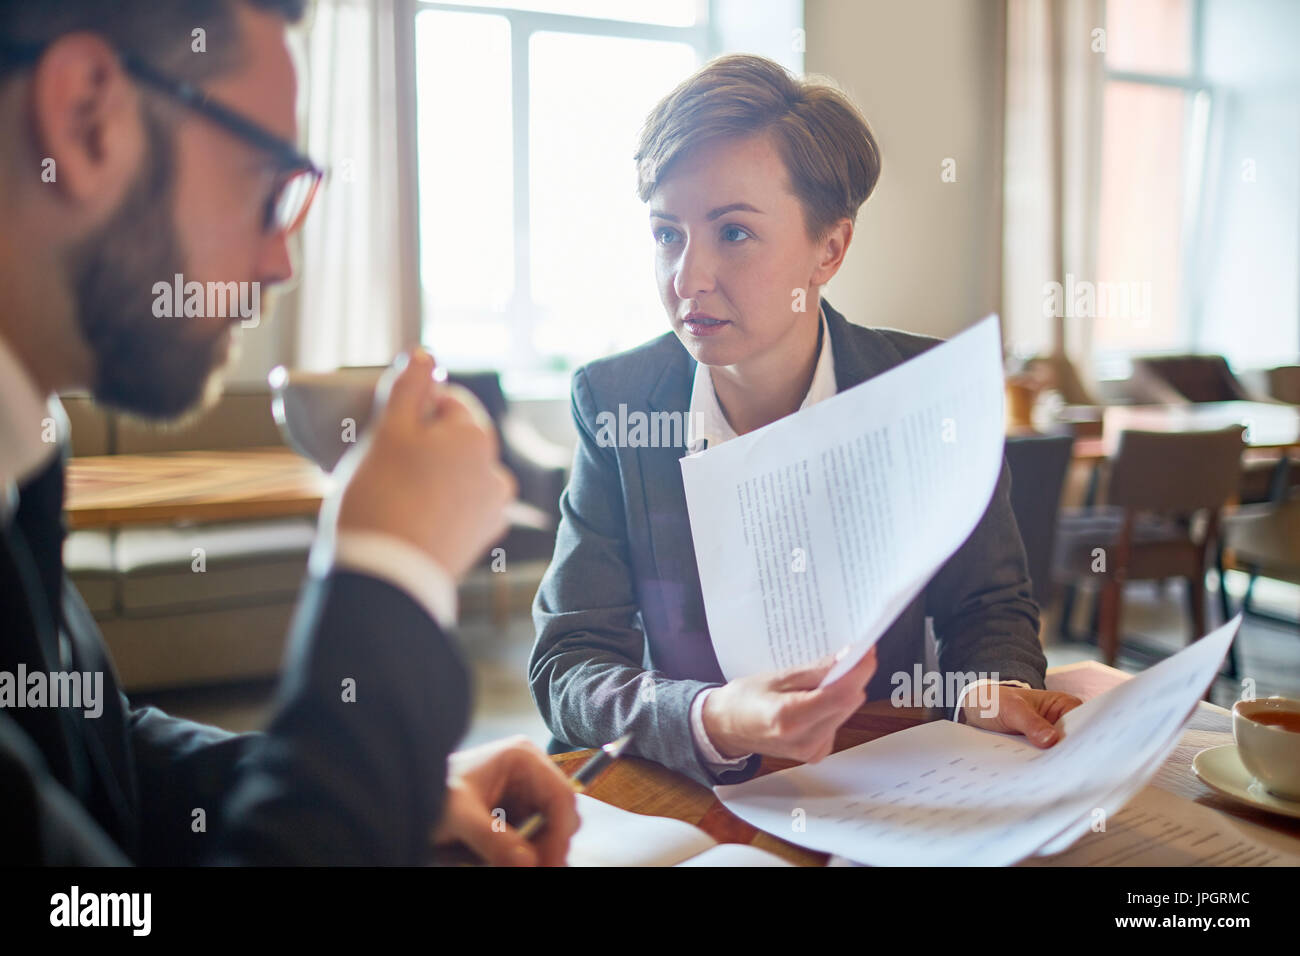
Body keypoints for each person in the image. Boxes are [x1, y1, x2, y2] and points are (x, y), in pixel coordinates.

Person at [0, 0, 578, 865]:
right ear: (88, 117)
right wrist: (390, 572)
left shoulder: (21, 445)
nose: (279, 263)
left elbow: (93, 758)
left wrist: (382, 786)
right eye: (269, 187)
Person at [530, 54, 1082, 788]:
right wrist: (714, 717)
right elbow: (571, 661)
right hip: (698, 784)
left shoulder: (928, 392)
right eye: (667, 234)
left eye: (732, 233)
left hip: (890, 776)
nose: (687, 279)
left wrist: (989, 688)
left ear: (830, 248)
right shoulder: (619, 401)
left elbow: (988, 606)